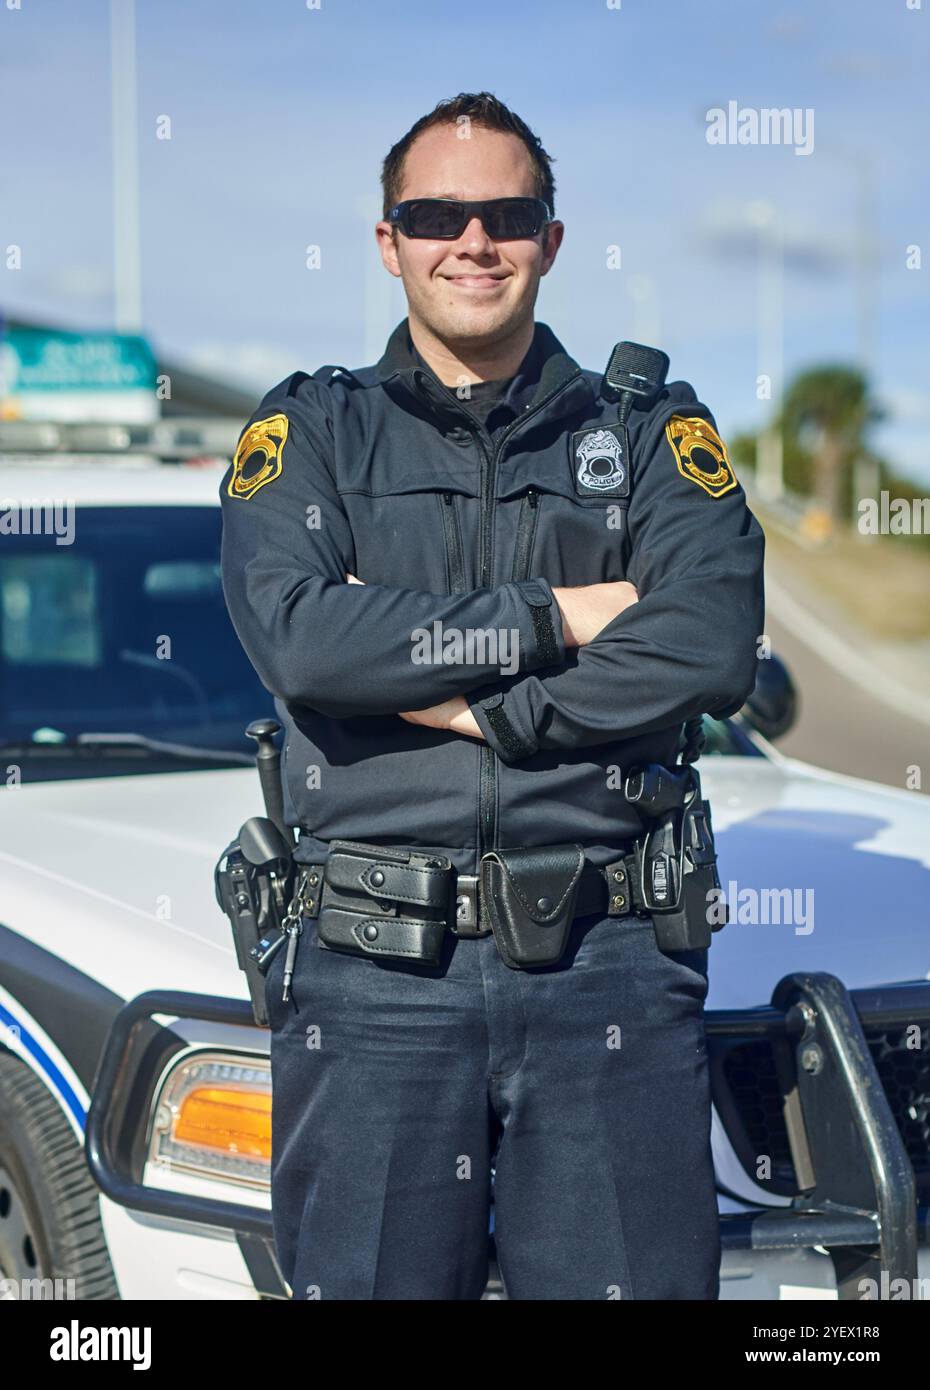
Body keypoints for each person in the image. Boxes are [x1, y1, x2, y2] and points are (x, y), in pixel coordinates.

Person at [219, 91, 765, 1301]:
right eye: (436, 214)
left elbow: (715, 637)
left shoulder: (649, 428)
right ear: (388, 240)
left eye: (507, 212)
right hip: (374, 984)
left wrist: (489, 708)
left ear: (552, 238)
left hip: (606, 969)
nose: (474, 240)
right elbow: (305, 641)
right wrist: (554, 617)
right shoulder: (312, 432)